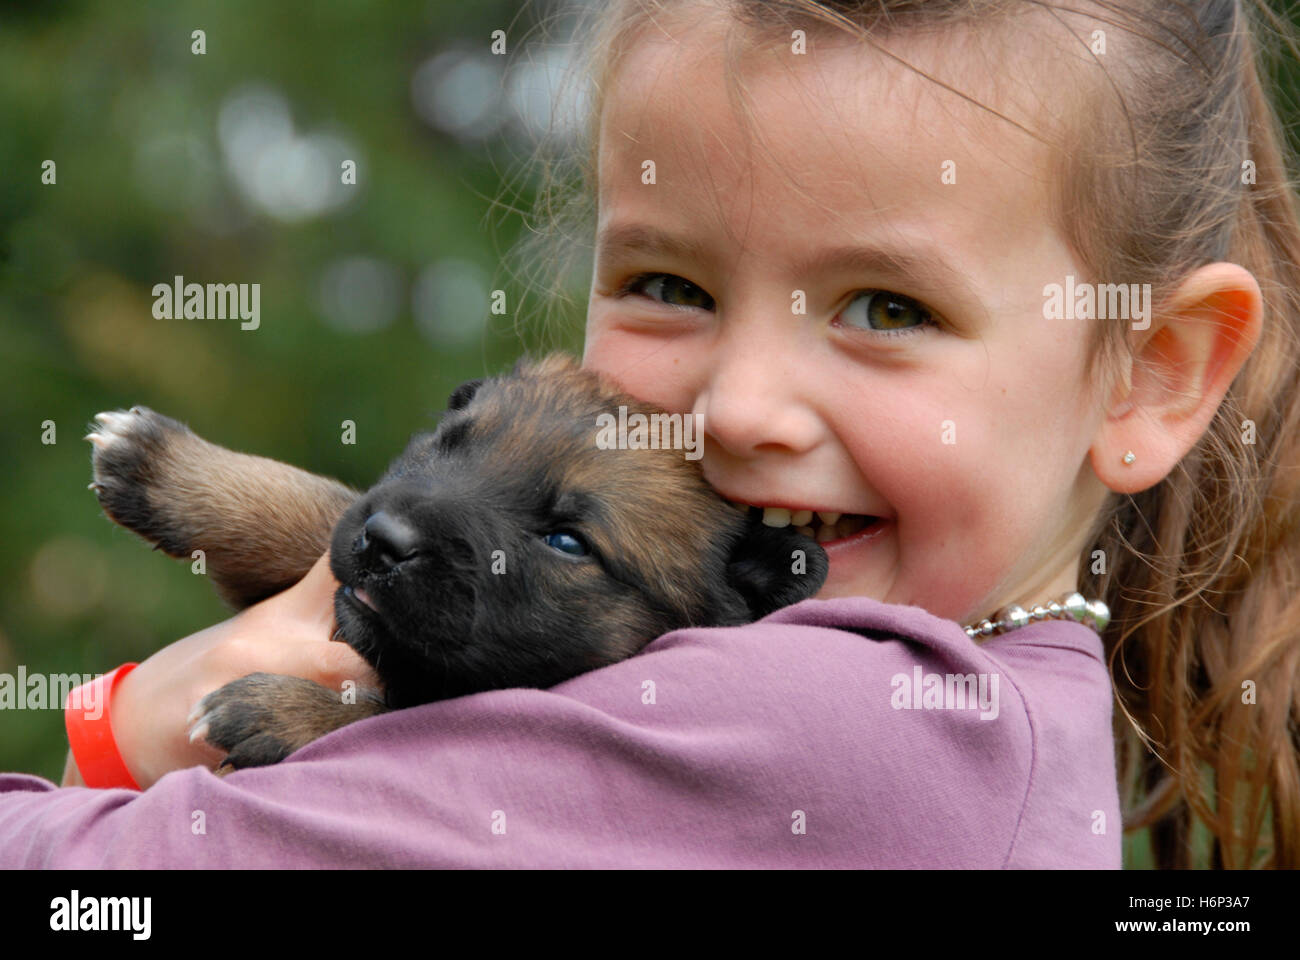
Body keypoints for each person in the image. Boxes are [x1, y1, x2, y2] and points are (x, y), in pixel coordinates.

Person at [4, 0, 1297, 869]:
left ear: (1150, 377)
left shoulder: (849, 734)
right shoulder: (1000, 720)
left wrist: (119, 736)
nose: (739, 406)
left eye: (886, 307)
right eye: (671, 286)